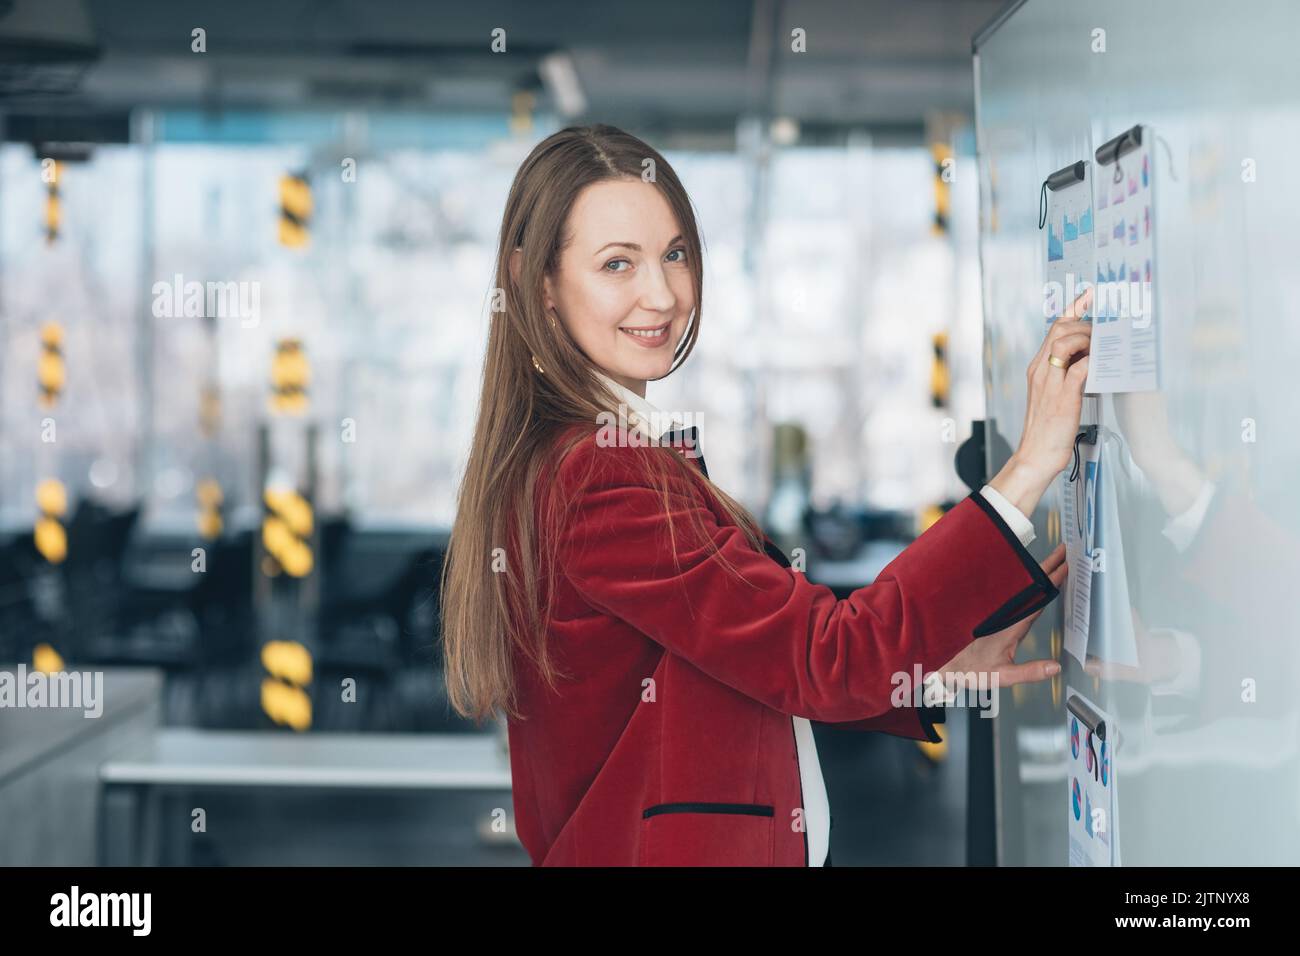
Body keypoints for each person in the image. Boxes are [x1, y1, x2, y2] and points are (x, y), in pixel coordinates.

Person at [440, 124, 1092, 866]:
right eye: (617, 264)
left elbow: (733, 669)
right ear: (538, 284)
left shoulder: (582, 452)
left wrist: (928, 671)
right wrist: (1028, 467)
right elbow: (825, 655)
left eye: (674, 254)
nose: (662, 294)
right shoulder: (598, 472)